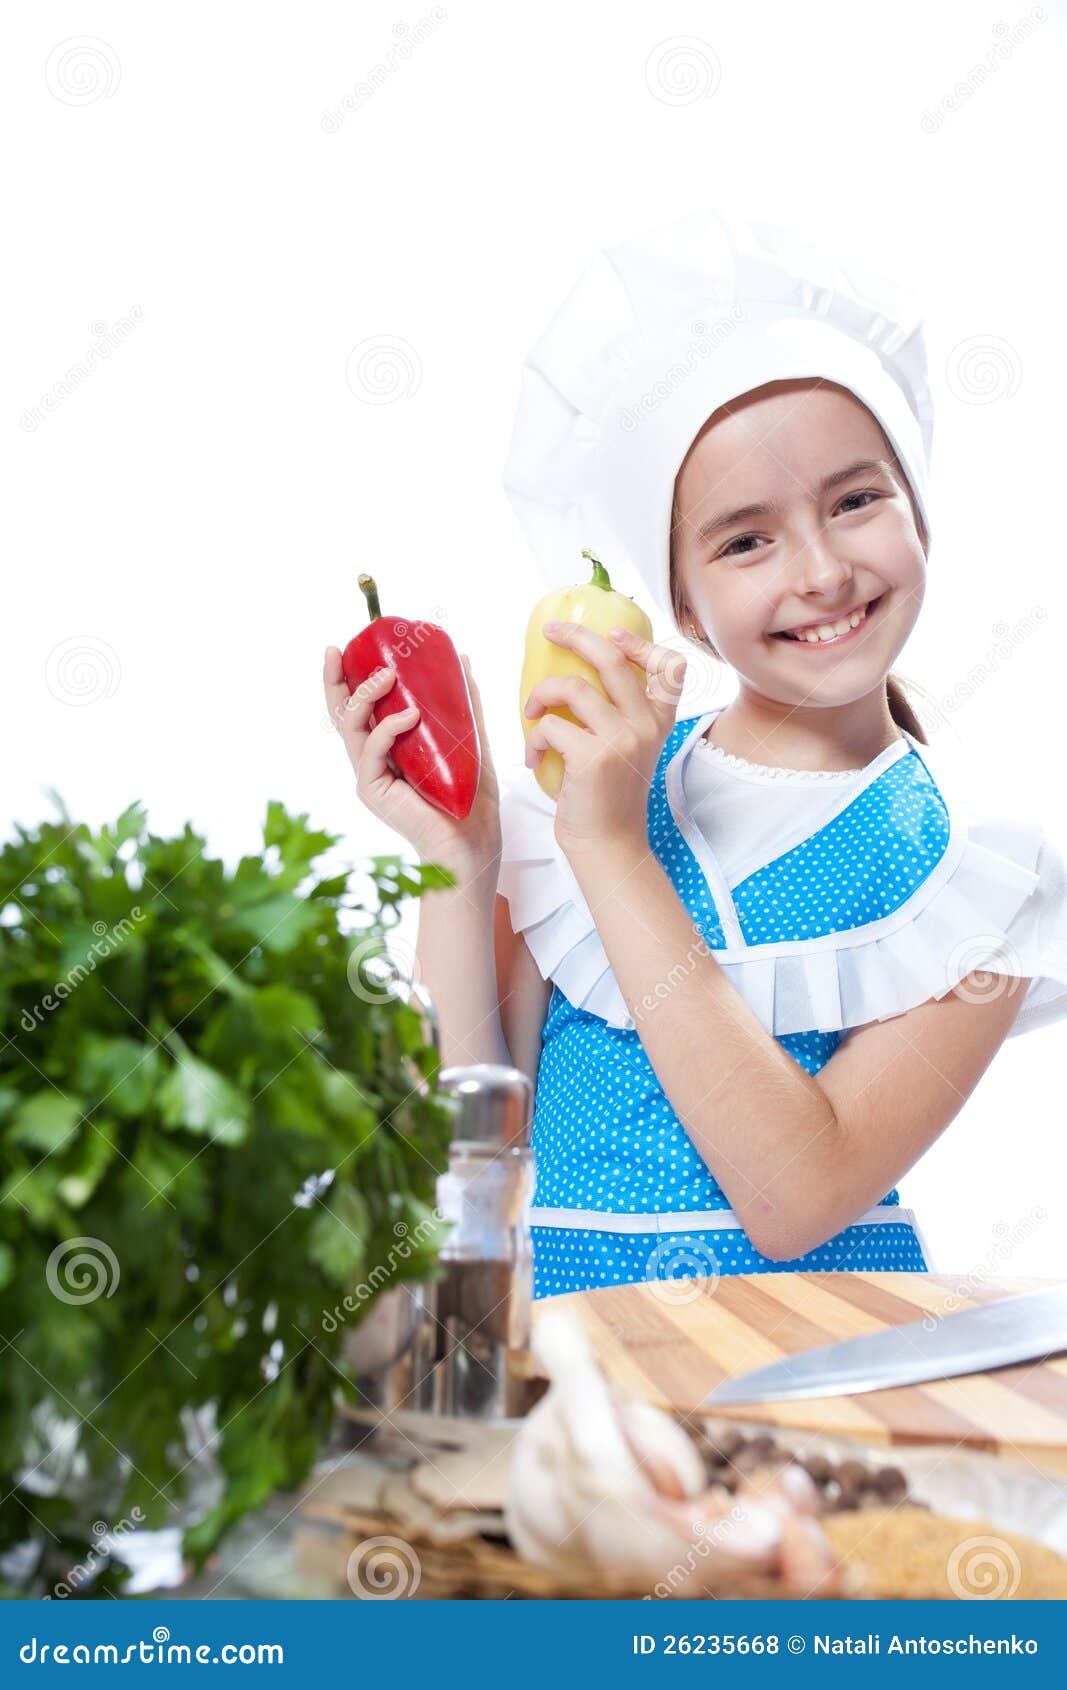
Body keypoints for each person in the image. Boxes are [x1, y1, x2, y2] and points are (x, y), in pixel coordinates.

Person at [324, 210, 1067, 1298]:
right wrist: (464, 851)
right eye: (744, 539)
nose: (818, 572)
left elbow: (793, 1193)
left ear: (918, 514)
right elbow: (479, 1115)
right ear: (681, 603)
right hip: (580, 1358)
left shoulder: (981, 883)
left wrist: (614, 849)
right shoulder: (585, 795)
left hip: (814, 1375)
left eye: (856, 500)